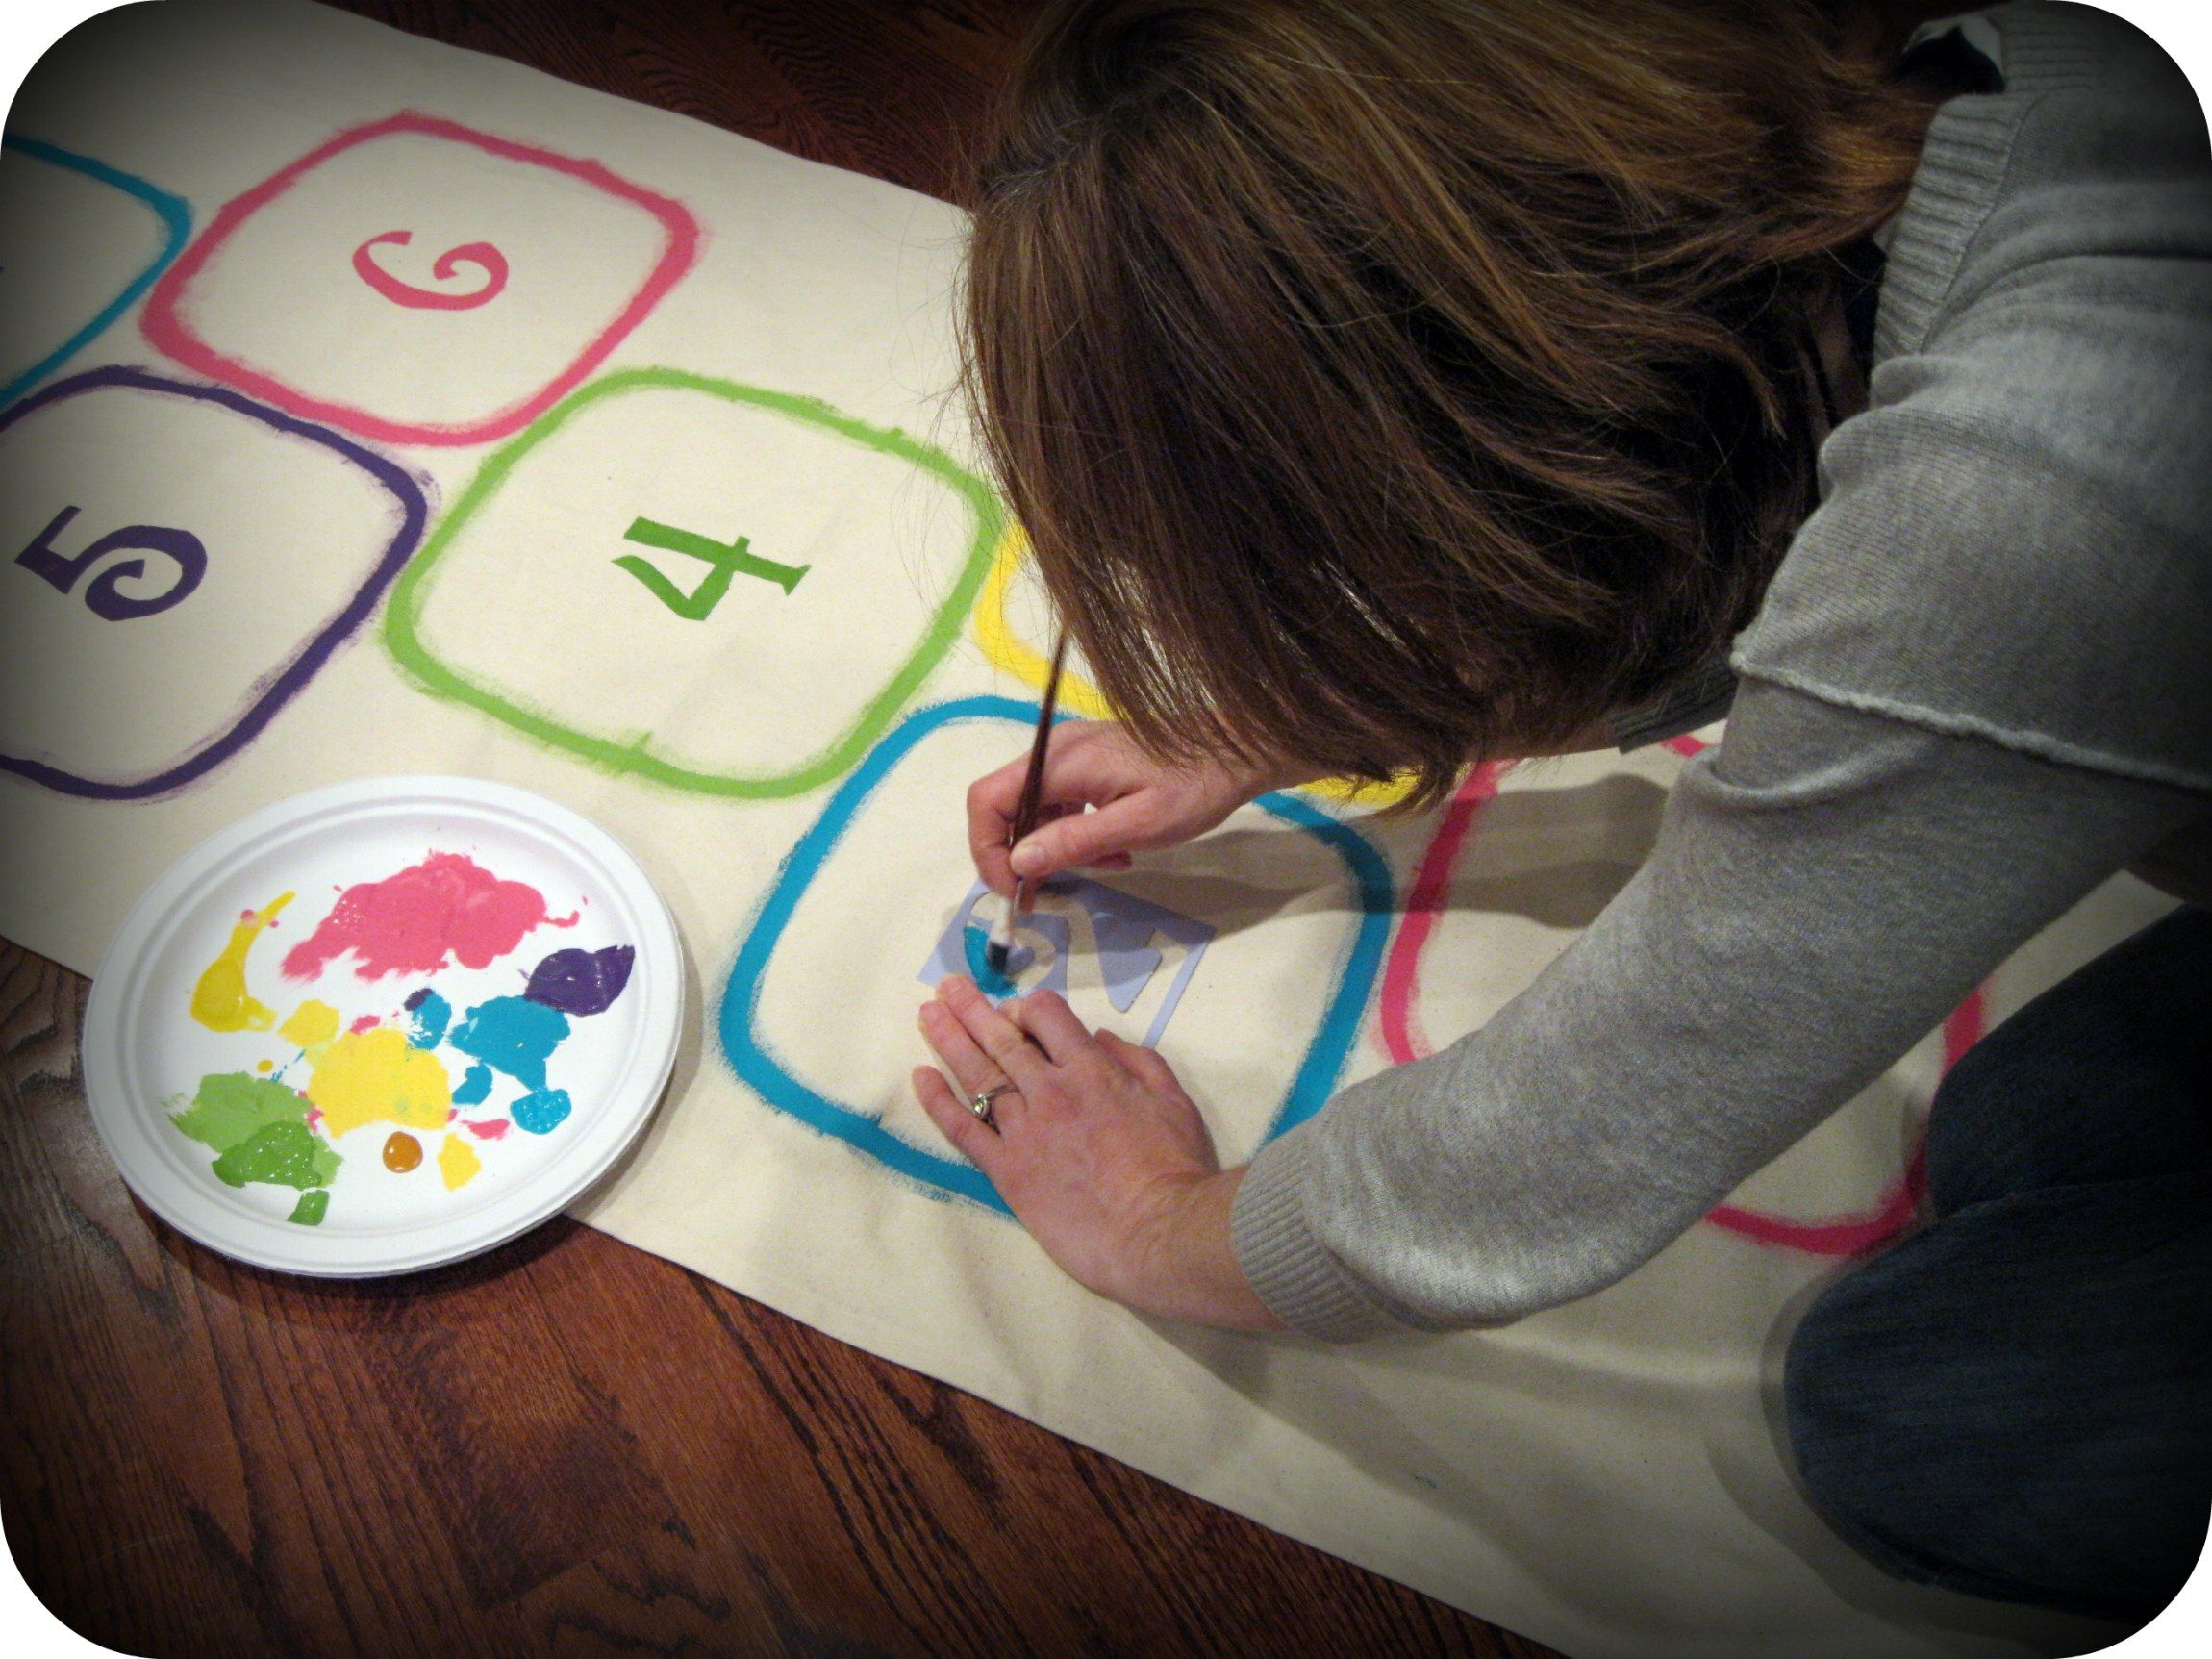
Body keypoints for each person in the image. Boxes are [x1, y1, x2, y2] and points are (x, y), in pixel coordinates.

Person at [908, 0, 2212, 1623]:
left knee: (1909, 1421)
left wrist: (1157, 1224)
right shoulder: (1986, 104)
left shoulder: (2035, 489)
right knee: (2022, 1134)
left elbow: (1567, 1143)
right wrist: (1299, 711)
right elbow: (1739, 530)